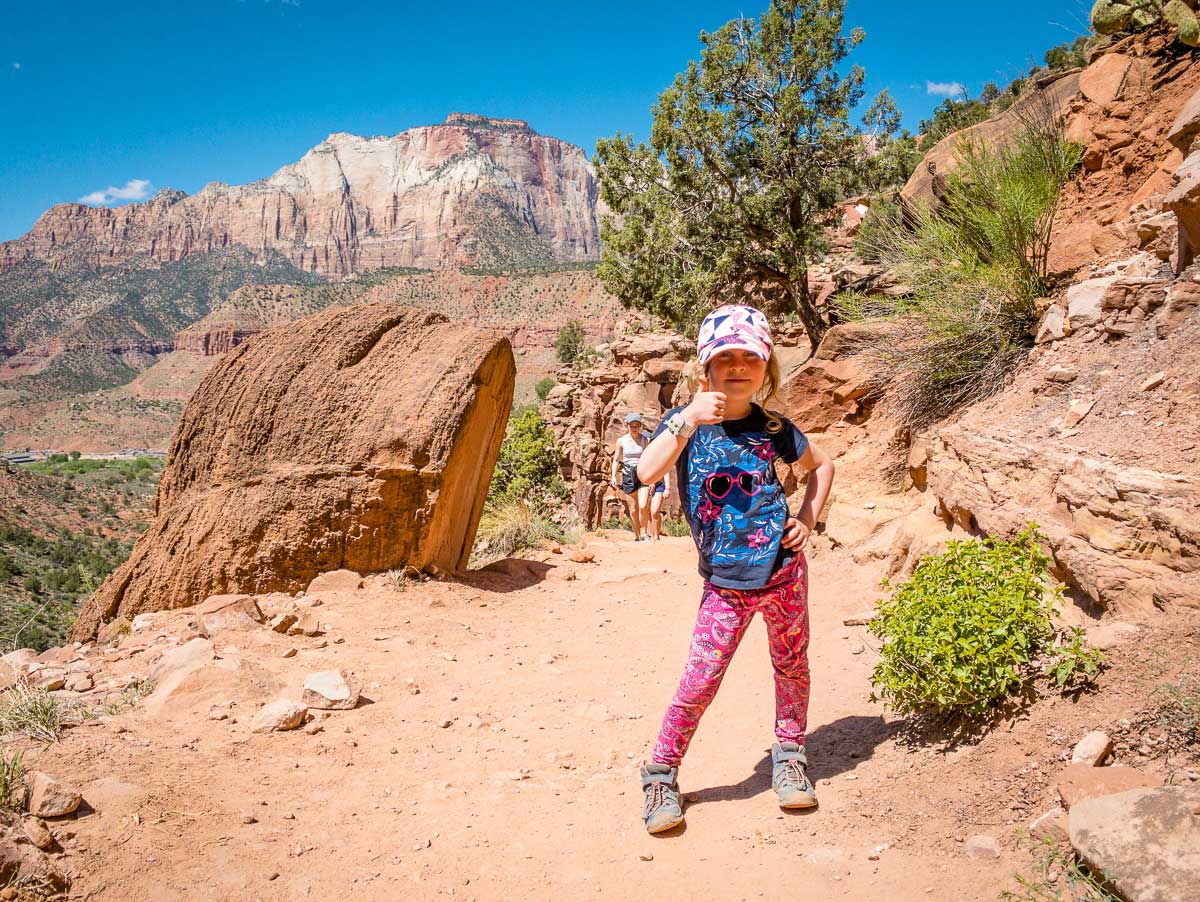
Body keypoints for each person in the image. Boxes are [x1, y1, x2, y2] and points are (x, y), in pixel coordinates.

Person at [634, 304, 835, 834]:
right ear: (707, 368)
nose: (739, 366)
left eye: (752, 357)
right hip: (725, 585)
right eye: (727, 357)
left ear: (767, 368)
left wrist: (808, 519)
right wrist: (686, 418)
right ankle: (660, 771)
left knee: (792, 666)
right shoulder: (687, 426)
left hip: (785, 573)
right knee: (701, 679)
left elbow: (822, 465)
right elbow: (645, 473)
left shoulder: (773, 427)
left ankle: (790, 756)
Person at [610, 412, 652, 541]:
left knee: (643, 505)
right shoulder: (621, 441)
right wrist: (613, 476)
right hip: (628, 474)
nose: (634, 428)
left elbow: (649, 458)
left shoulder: (645, 439)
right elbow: (616, 459)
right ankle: (637, 534)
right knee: (633, 509)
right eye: (631, 425)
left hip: (643, 473)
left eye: (637, 425)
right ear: (627, 425)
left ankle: (644, 532)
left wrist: (653, 479)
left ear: (640, 426)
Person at [648, 469, 671, 540]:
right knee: (645, 510)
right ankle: (649, 535)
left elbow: (665, 470)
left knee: (655, 511)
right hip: (644, 485)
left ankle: (656, 536)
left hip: (659, 485)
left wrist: (667, 488)